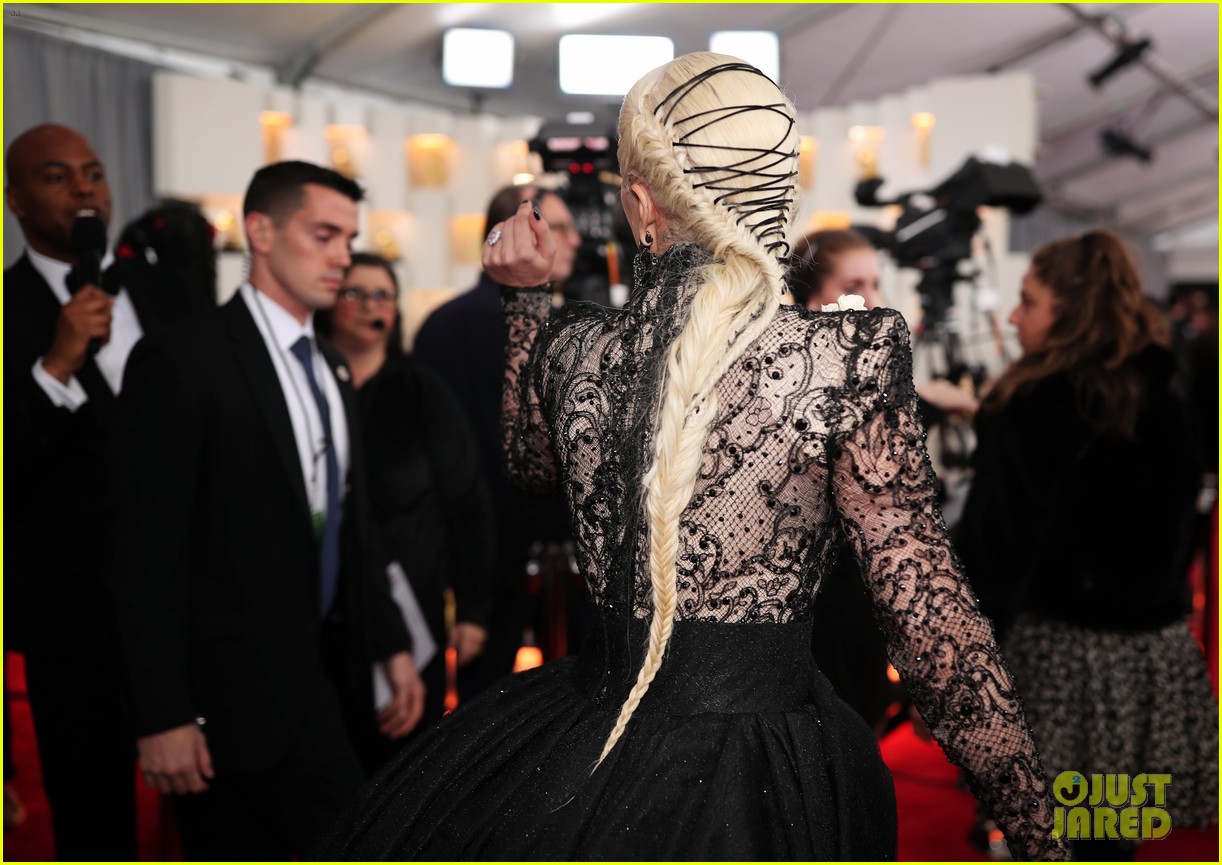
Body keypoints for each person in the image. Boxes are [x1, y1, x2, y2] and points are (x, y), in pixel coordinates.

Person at [317, 53, 1067, 860]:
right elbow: (930, 618)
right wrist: (1036, 826)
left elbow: (531, 467)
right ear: (778, 192)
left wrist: (527, 301)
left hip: (584, 741)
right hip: (773, 767)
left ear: (643, 206)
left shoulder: (576, 346)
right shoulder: (843, 357)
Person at [107, 161, 424, 859]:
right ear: (260, 230)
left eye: (349, 237)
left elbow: (351, 521)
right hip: (220, 707)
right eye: (324, 234)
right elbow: (143, 552)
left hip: (320, 683)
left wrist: (393, 642)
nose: (343, 254)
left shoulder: (332, 365)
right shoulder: (183, 360)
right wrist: (162, 714)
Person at [957, 230, 1218, 860]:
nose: (1015, 318)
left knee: (1051, 835)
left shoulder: (1036, 405)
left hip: (1058, 656)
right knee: (1109, 833)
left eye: (1029, 302)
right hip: (1148, 653)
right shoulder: (1162, 398)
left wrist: (959, 671)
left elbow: (994, 550)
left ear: (1070, 313)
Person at [3, 122, 158, 860]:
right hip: (72, 613)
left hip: (183, 598)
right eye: (57, 176)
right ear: (15, 201)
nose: (84, 189)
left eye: (93, 172)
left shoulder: (166, 289)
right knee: (94, 821)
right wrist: (54, 368)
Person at [316, 251, 494, 766]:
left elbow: (468, 500)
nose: (370, 305)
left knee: (406, 763)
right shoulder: (310, 386)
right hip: (330, 610)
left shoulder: (420, 391)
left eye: (383, 295)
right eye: (355, 292)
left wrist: (475, 607)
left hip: (414, 597)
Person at [413, 184, 581, 699]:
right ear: (509, 233)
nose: (573, 241)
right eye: (558, 228)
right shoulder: (558, 328)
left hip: (470, 552)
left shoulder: (437, 323)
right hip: (530, 548)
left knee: (481, 714)